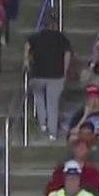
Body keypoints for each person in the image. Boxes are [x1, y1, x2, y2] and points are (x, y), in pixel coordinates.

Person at [25, 12, 73, 140]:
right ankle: (52, 132)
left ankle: (42, 123)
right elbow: (67, 54)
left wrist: (26, 62)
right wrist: (65, 70)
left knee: (39, 97)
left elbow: (27, 46)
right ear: (55, 25)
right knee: (53, 103)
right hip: (56, 75)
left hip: (38, 74)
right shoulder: (61, 38)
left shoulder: (36, 36)